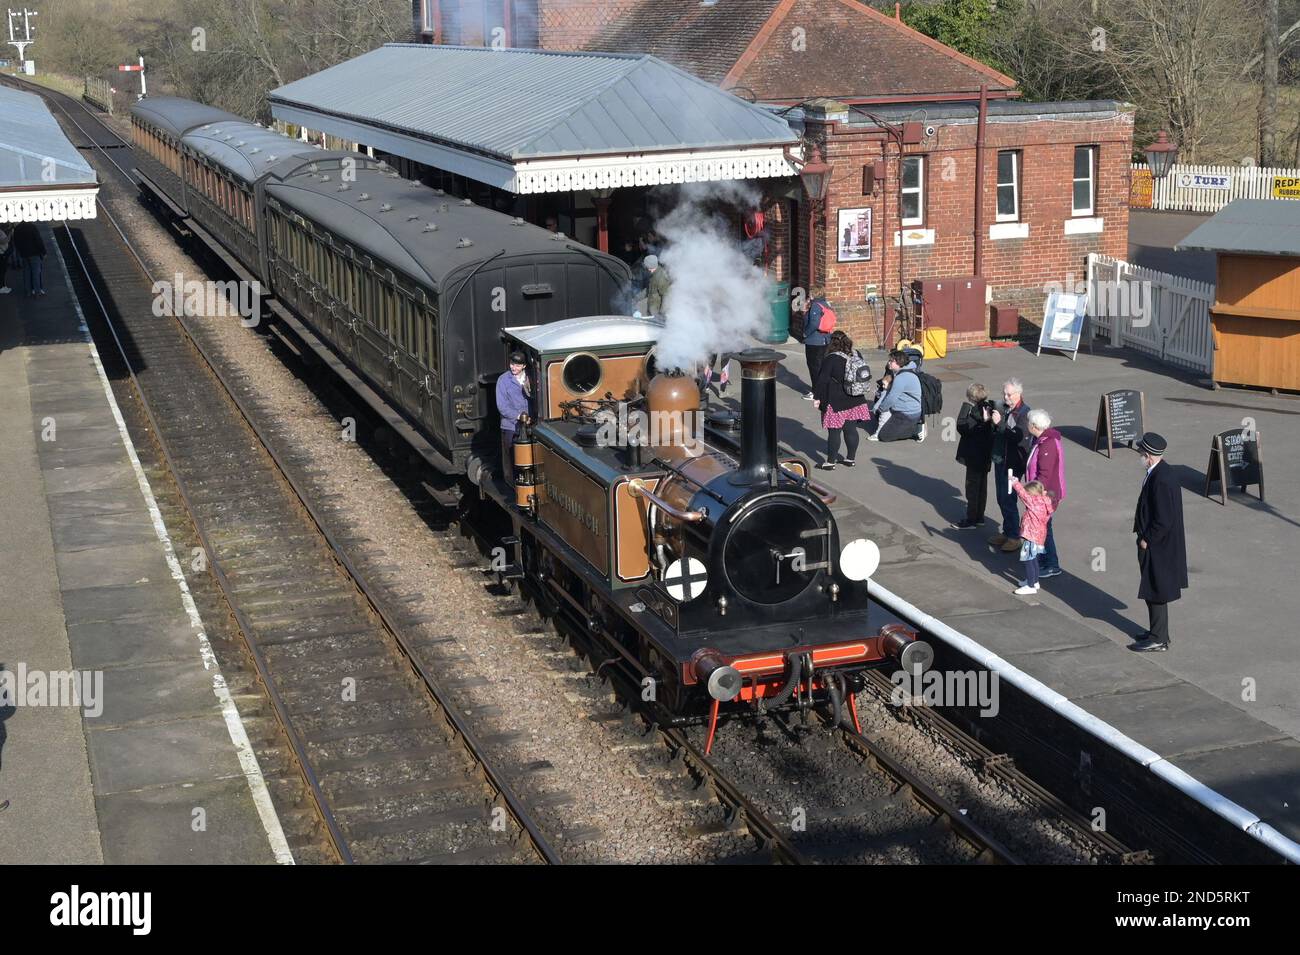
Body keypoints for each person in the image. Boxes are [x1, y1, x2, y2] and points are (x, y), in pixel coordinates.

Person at [1130, 432, 1187, 652]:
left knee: (1155, 590)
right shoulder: (1160, 472)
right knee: (1153, 589)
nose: (1139, 456)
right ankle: (1157, 631)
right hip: (1158, 544)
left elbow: (1164, 519)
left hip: (1157, 546)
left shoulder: (1161, 479)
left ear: (1149, 456)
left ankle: (1159, 638)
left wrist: (1146, 540)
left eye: (1141, 452)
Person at [812, 330, 871, 470]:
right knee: (851, 429)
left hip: (836, 401)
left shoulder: (831, 358)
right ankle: (850, 459)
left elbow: (822, 380)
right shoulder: (856, 354)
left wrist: (817, 398)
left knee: (834, 432)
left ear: (832, 343)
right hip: (855, 398)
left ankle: (830, 462)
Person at [988, 379, 1033, 552]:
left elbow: (1017, 438)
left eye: (1009, 394)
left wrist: (1000, 423)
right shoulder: (1005, 409)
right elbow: (999, 433)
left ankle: (1014, 537)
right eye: (1004, 393)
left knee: (1008, 498)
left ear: (1018, 394)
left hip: (1012, 464)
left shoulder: (1024, 413)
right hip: (1000, 459)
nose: (1005, 397)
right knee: (1001, 497)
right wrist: (991, 422)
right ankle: (1007, 532)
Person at [1024, 409, 1065, 578]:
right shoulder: (1043, 440)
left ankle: (1051, 564)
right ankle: (1044, 559)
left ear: (1034, 426)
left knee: (1045, 528)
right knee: (1043, 528)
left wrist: (1033, 496)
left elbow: (1045, 475)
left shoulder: (1047, 444)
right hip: (1044, 495)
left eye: (1028, 422)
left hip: (1045, 496)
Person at [954, 383, 995, 528]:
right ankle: (979, 517)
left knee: (972, 487)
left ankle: (971, 518)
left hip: (973, 455)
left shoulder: (972, 411)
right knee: (982, 487)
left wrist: (966, 407)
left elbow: (962, 427)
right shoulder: (990, 408)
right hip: (985, 455)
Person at [867, 350, 923, 441]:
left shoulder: (901, 378)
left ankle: (916, 430)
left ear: (898, 362)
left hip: (907, 414)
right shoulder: (905, 372)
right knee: (884, 423)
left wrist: (880, 409)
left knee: (884, 436)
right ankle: (910, 426)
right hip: (906, 410)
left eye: (891, 361)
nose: (889, 362)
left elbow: (891, 398)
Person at [1010, 479, 1055, 595]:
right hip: (1039, 537)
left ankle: (1030, 586)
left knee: (1029, 560)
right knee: (1034, 560)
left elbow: (1023, 495)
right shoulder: (1044, 502)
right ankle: (1034, 581)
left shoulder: (1034, 503)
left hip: (1031, 536)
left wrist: (1015, 483)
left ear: (1032, 494)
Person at [495, 349, 531, 479]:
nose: (513, 367)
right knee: (512, 456)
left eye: (517, 365)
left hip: (529, 424)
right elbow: (502, 406)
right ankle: (512, 482)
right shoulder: (503, 380)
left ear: (524, 366)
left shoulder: (529, 378)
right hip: (510, 425)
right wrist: (518, 416)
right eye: (512, 364)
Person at [800, 288, 833, 400]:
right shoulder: (826, 304)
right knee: (823, 367)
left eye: (809, 294)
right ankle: (825, 390)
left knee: (814, 368)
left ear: (813, 295)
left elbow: (814, 323)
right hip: (826, 340)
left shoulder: (815, 305)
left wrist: (805, 333)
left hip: (814, 342)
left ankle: (816, 393)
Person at [12, 222, 47, 297]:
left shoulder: (17, 228)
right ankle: (37, 291)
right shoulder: (32, 227)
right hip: (34, 253)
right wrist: (43, 251)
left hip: (24, 254)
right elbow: (38, 240)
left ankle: (28, 291)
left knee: (26, 272)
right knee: (36, 273)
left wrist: (20, 252)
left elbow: (15, 241)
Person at [0, 224, 13, 294]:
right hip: (2, 254)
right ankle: (2, 287)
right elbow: (3, 241)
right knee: (2, 270)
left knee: (2, 270)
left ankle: (3, 286)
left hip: (2, 253)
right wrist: (10, 235)